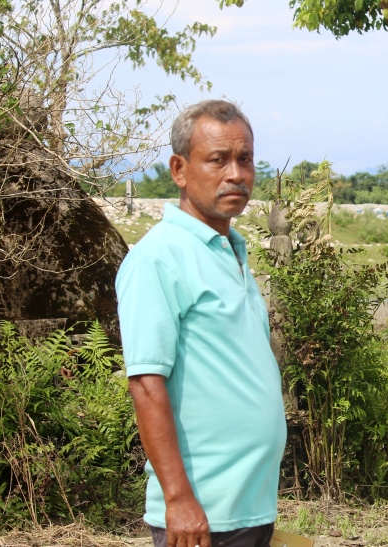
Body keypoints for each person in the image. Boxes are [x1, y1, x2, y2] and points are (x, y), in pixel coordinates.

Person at [116, 100, 286, 547]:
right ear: (179, 169)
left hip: (248, 505)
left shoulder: (232, 249)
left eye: (245, 159)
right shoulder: (158, 258)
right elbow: (147, 384)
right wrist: (178, 500)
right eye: (217, 160)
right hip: (202, 514)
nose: (236, 174)